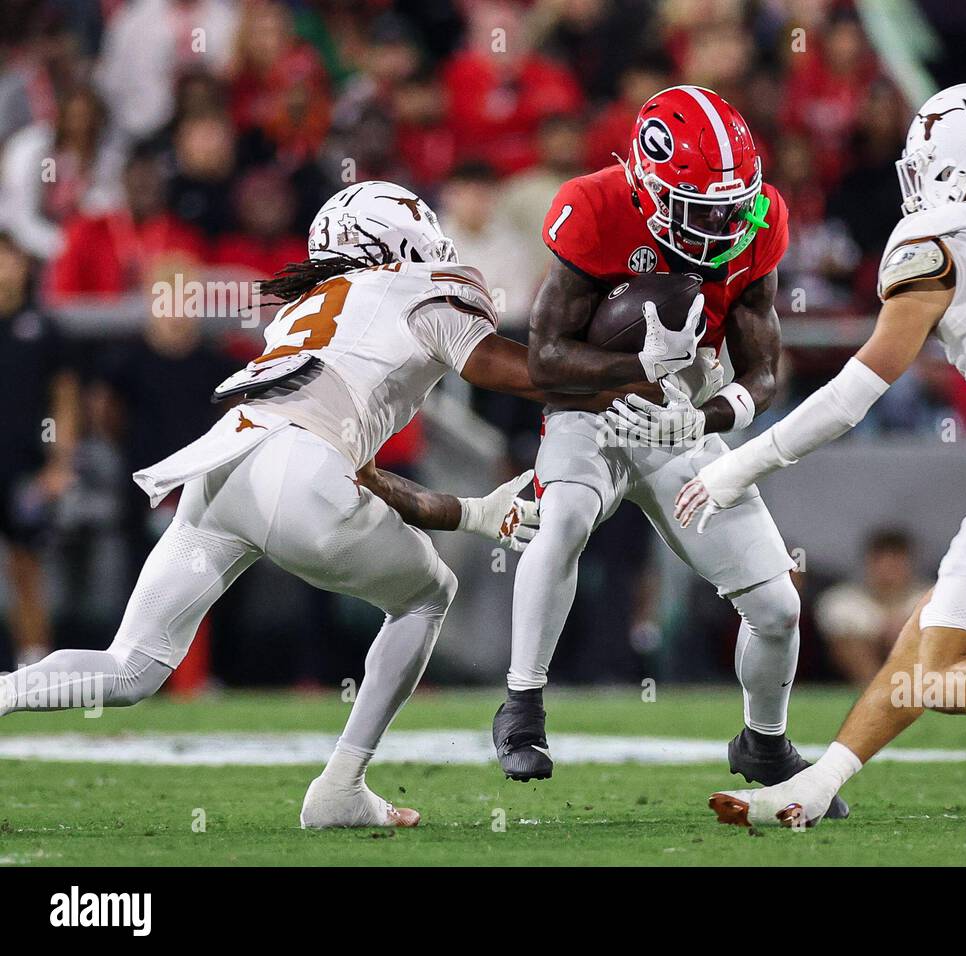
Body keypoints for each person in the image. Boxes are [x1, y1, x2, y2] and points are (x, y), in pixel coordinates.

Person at [0, 181, 555, 829]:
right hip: (301, 470)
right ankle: (341, 786)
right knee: (428, 594)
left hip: (226, 467)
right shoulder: (421, 287)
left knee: (132, 667)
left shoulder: (314, 305)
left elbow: (367, 475)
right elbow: (509, 369)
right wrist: (629, 372)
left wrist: (473, 512)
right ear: (398, 237)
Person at [676, 83, 966, 826]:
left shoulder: (938, 233)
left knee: (941, 671)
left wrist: (739, 464)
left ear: (954, 160)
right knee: (930, 637)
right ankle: (813, 786)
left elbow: (852, 395)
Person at [494, 85, 849, 819]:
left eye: (732, 204)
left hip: (685, 418)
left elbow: (764, 369)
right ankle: (522, 707)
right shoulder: (594, 206)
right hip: (591, 413)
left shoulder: (758, 220)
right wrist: (638, 369)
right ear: (647, 184)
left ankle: (765, 742)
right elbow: (546, 359)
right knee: (562, 521)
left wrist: (703, 414)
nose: (722, 222)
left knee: (780, 605)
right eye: (701, 205)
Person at [0, 232, 80, 669]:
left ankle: (33, 663)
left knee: (27, 569)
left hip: (24, 470)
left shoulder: (43, 329)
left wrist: (59, 462)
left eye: (7, 259)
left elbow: (64, 399)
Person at [816, 529, 930, 686]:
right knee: (849, 639)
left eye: (896, 562)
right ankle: (875, 688)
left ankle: (906, 687)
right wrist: (880, 631)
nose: (888, 570)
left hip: (917, 674)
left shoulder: (931, 597)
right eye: (882, 561)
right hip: (859, 673)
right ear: (869, 563)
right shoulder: (843, 600)